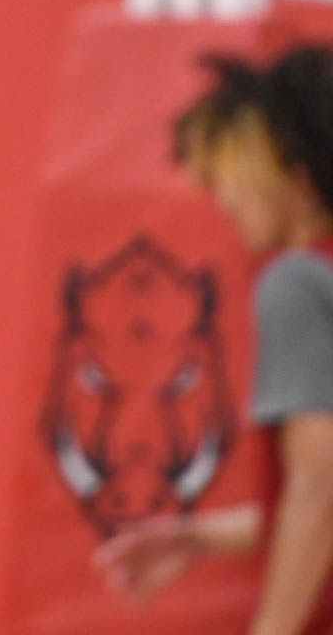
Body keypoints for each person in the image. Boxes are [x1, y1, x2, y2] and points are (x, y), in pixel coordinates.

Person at [93, 45, 333, 635]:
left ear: (280, 166)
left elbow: (321, 481)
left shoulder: (297, 282)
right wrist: (199, 535)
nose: (221, 200)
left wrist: (273, 628)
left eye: (225, 177)